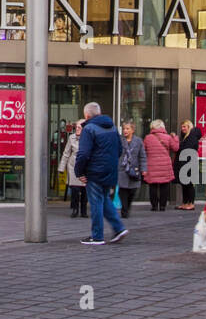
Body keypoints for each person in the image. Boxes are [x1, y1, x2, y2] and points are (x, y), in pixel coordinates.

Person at [74, 102, 127, 245]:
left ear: (86, 115)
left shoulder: (89, 129)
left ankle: (97, 236)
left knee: (96, 202)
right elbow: (120, 150)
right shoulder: (112, 127)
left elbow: (83, 153)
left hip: (95, 171)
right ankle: (119, 228)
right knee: (104, 198)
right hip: (110, 170)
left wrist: (79, 172)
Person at [142, 119, 179, 211]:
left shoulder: (147, 138)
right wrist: (176, 138)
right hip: (165, 165)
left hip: (151, 165)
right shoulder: (168, 137)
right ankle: (162, 206)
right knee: (164, 185)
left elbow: (143, 151)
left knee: (153, 186)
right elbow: (176, 148)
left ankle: (154, 206)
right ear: (162, 127)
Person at [116, 121, 147, 218]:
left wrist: (144, 169)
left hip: (134, 170)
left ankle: (127, 206)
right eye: (124, 128)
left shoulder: (138, 141)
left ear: (132, 130)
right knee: (123, 190)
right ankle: (124, 211)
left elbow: (142, 156)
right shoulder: (119, 140)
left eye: (127, 129)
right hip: (122, 169)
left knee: (132, 191)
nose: (125, 131)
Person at [58, 120, 87, 218]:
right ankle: (75, 209)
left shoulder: (89, 138)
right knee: (74, 189)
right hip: (73, 166)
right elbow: (66, 153)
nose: (77, 129)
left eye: (80, 127)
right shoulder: (71, 138)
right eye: (76, 127)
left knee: (84, 190)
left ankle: (84, 211)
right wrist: (61, 167)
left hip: (85, 167)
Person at [175, 120, 201, 209]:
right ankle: (185, 203)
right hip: (184, 163)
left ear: (189, 127)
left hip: (189, 163)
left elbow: (186, 149)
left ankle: (191, 203)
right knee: (184, 184)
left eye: (184, 127)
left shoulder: (192, 137)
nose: (182, 129)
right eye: (182, 127)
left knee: (189, 184)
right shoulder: (185, 137)